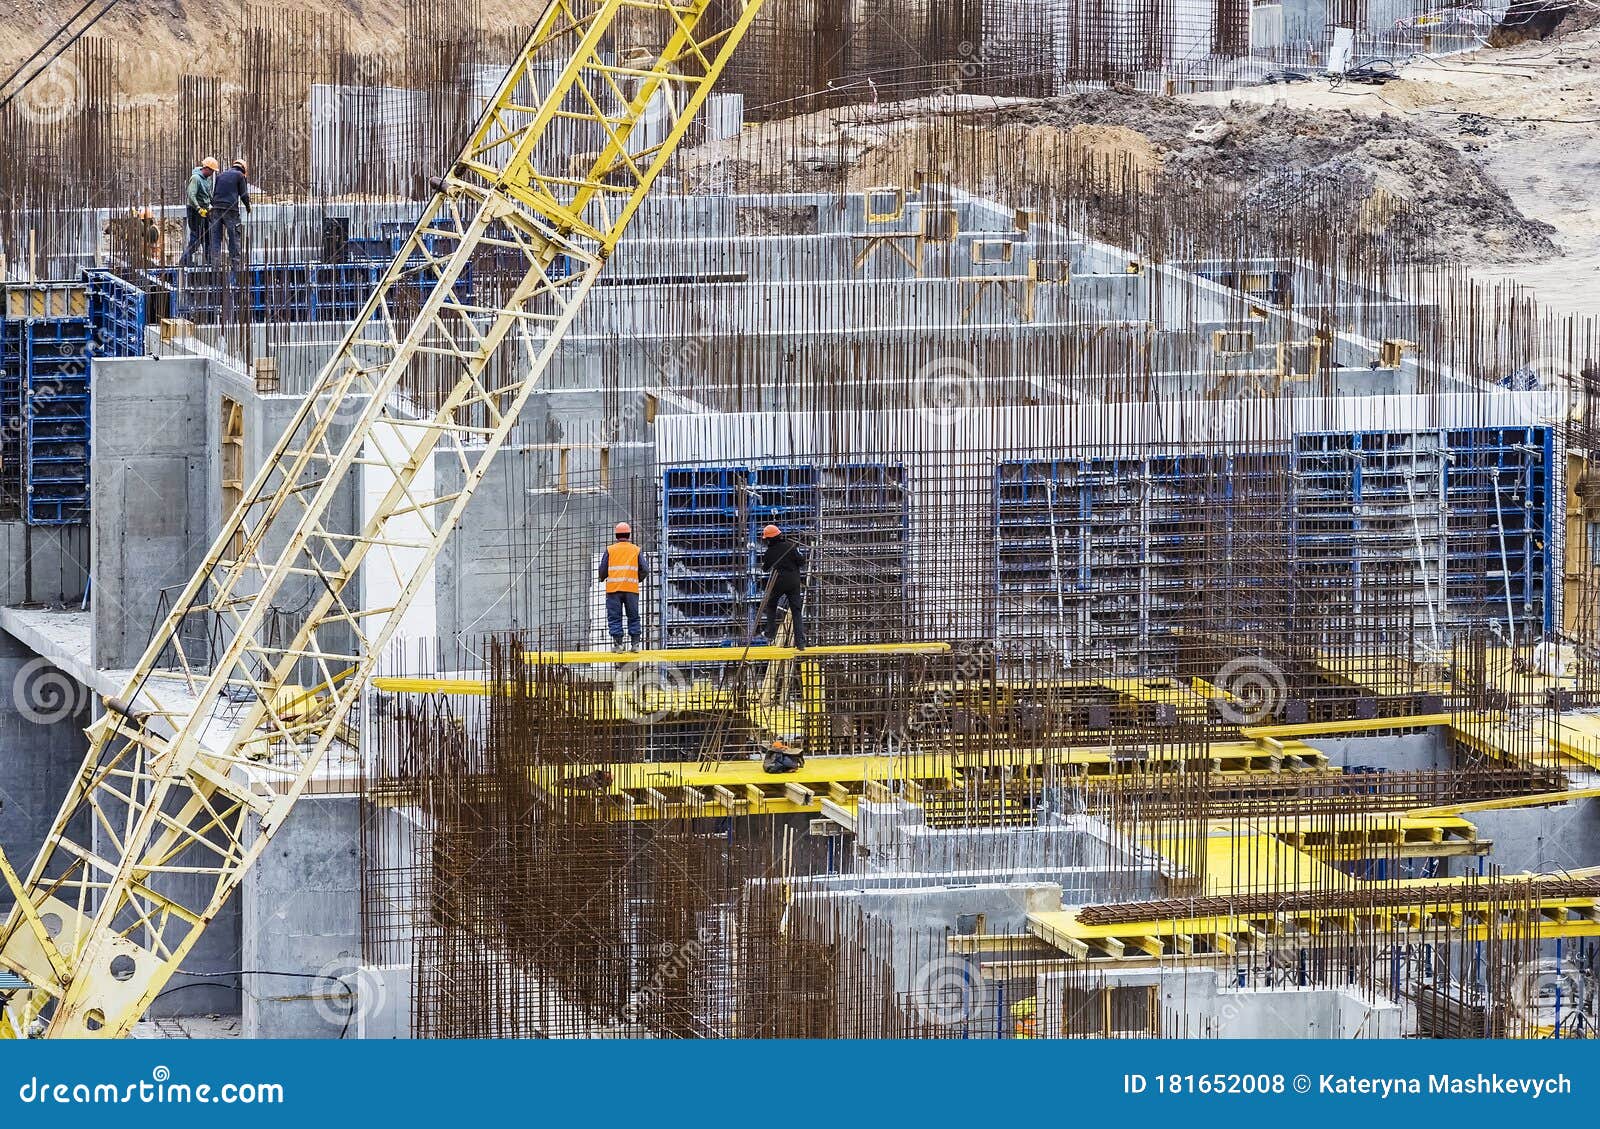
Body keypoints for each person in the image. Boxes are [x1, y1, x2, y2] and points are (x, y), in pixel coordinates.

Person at [598, 522, 646, 650]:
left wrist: (602, 578)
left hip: (614, 590)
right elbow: (645, 569)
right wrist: (637, 579)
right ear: (629, 535)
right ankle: (635, 644)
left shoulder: (610, 550)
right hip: (631, 589)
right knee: (633, 616)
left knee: (614, 617)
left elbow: (603, 569)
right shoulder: (636, 550)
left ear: (616, 535)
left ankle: (618, 645)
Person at [758, 524, 807, 650]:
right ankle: (800, 642)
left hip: (778, 582)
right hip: (794, 582)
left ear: (768, 539)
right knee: (796, 611)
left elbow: (765, 568)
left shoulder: (769, 552)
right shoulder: (790, 546)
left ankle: (770, 632)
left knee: (771, 604)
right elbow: (801, 561)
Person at [208, 157, 251, 269]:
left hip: (216, 208)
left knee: (216, 238)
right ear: (243, 169)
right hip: (230, 210)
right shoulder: (240, 176)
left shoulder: (220, 175)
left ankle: (215, 266)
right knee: (234, 237)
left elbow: (214, 194)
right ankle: (235, 265)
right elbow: (244, 195)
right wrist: (248, 207)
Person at [178, 157, 218, 266]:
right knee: (196, 238)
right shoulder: (195, 178)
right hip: (195, 212)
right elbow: (191, 195)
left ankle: (210, 261)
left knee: (208, 237)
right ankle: (184, 260)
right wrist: (198, 208)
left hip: (204, 211)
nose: (212, 173)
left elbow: (208, 194)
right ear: (206, 168)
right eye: (212, 171)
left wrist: (213, 204)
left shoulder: (206, 179)